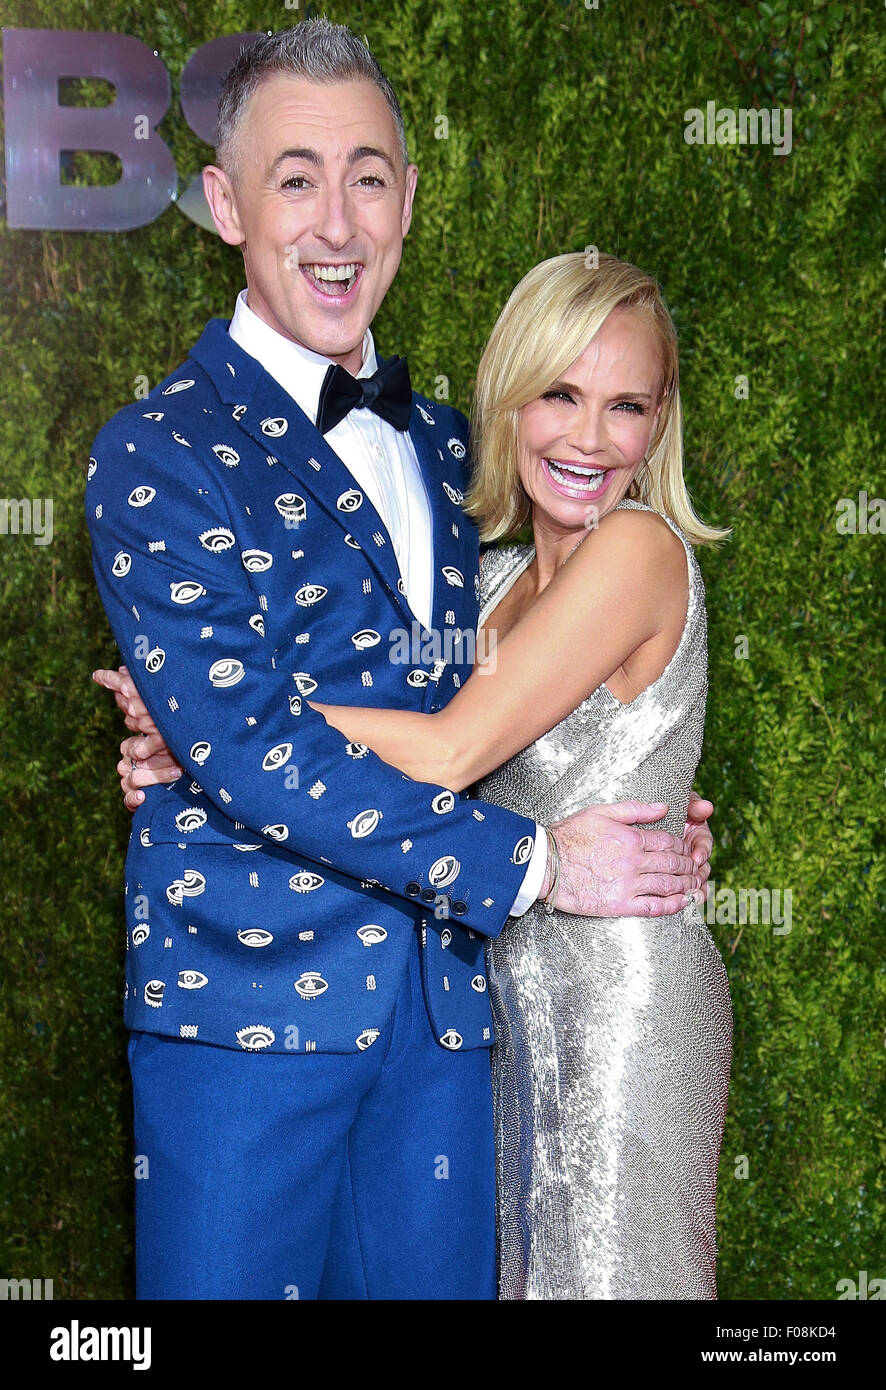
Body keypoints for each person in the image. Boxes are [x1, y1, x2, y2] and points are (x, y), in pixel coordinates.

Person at [88, 20, 713, 1301]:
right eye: (294, 177)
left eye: (366, 176)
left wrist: (210, 732)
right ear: (224, 205)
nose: (335, 221)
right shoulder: (154, 450)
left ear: (408, 200)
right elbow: (256, 753)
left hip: (448, 1031)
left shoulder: (450, 450)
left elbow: (488, 703)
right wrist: (541, 856)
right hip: (241, 1017)